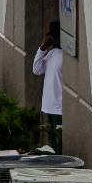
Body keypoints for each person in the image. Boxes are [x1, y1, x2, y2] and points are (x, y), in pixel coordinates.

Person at [31, 22, 63, 153]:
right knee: (51, 147)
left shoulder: (64, 56)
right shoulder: (52, 53)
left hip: (60, 109)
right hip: (48, 107)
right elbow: (36, 69)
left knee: (58, 146)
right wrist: (42, 49)